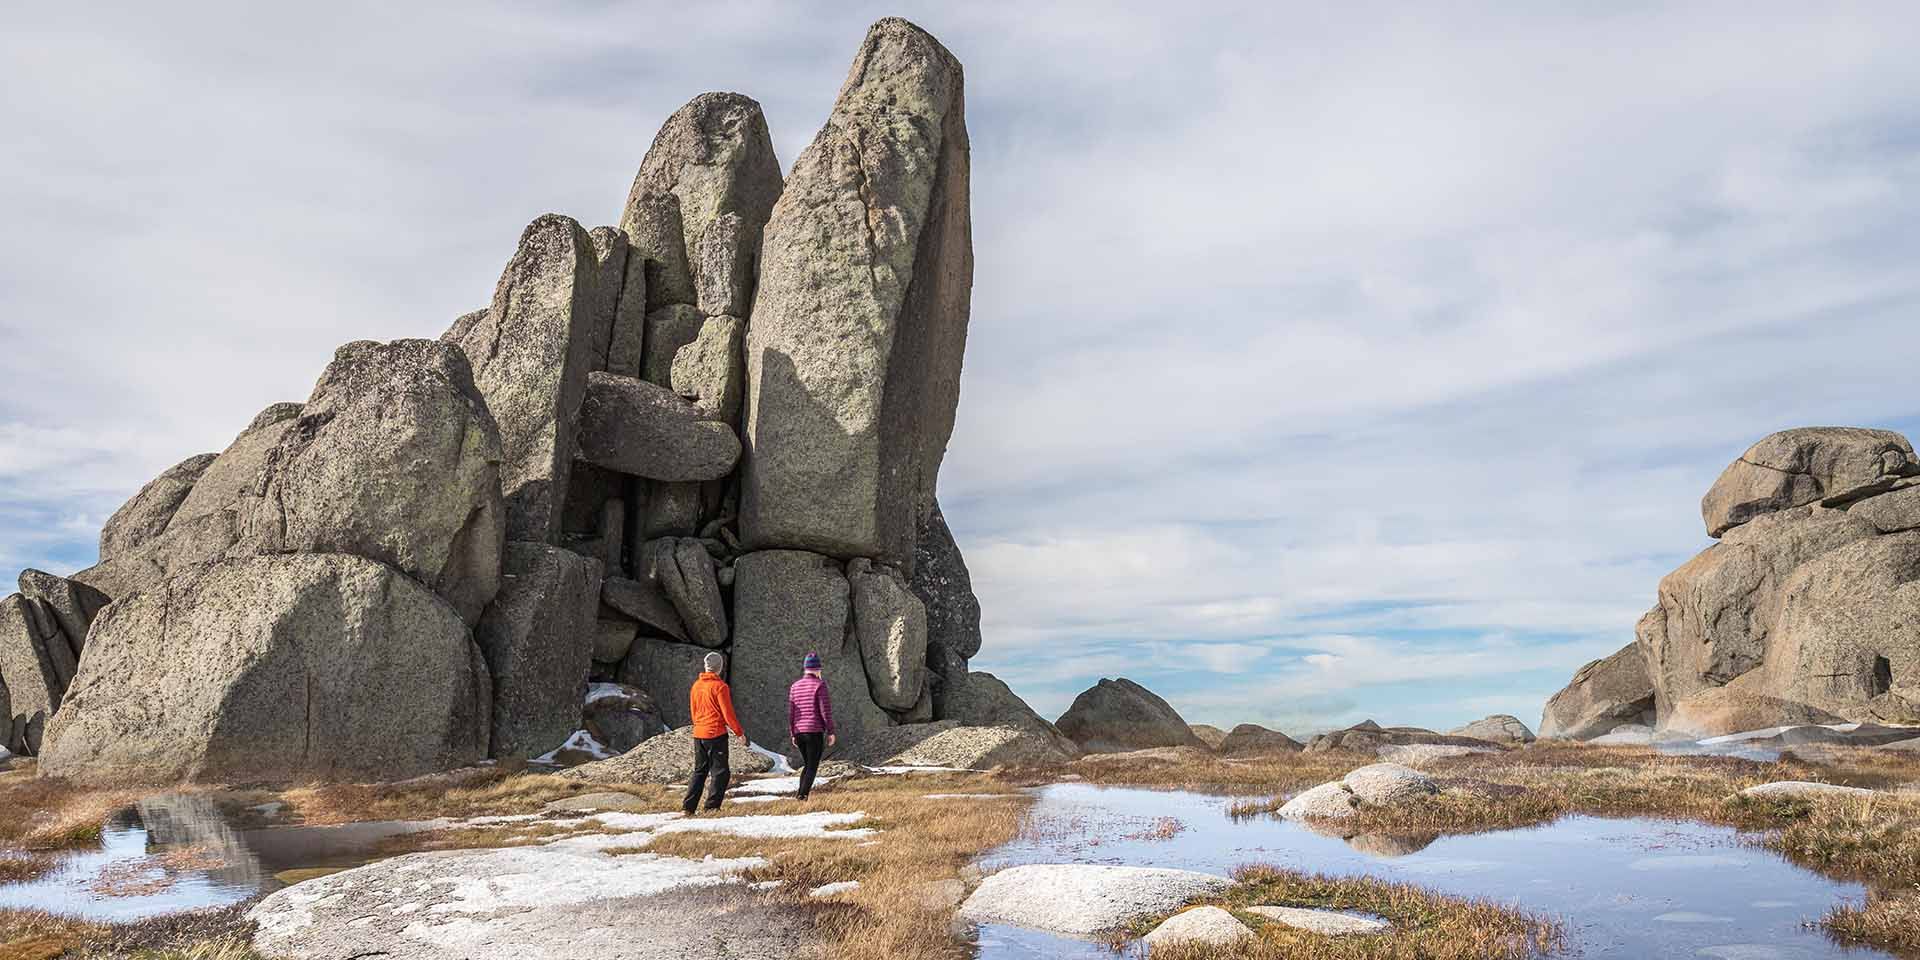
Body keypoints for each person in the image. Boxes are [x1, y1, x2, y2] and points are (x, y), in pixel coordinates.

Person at [684, 650, 745, 815]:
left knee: (699, 770)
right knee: (721, 772)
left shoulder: (696, 686)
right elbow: (728, 714)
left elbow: (693, 710)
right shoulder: (720, 687)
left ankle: (688, 807)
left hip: (699, 733)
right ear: (719, 668)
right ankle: (711, 807)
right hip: (715, 734)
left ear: (706, 667)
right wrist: (739, 732)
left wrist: (699, 725)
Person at [788, 651, 836, 801]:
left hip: (799, 731)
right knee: (812, 766)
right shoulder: (820, 685)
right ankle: (802, 797)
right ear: (818, 669)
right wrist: (831, 731)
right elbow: (825, 710)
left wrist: (793, 734)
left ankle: (801, 795)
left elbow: (791, 712)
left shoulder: (795, 686)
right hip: (814, 731)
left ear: (805, 668)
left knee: (808, 764)